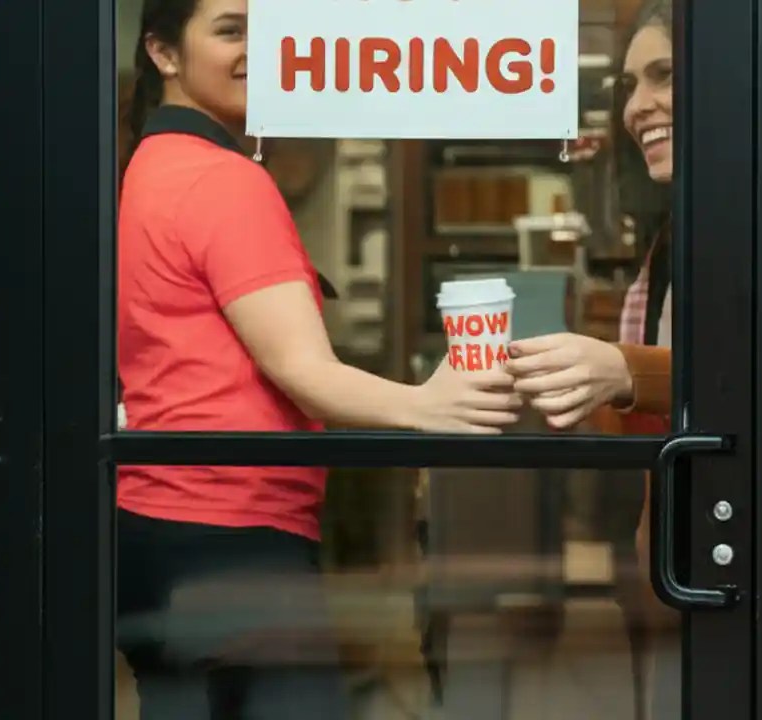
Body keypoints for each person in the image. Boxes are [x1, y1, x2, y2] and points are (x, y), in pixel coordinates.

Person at [114, 0, 521, 717]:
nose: (255, 49)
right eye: (229, 29)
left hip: (158, 528)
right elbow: (303, 369)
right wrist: (429, 404)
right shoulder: (224, 179)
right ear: (163, 53)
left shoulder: (147, 169)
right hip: (233, 534)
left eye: (265, 31)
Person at [507, 1, 677, 717]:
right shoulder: (671, 237)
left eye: (664, 75)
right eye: (630, 86)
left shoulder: (759, 222)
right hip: (659, 547)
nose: (640, 106)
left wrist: (620, 371)